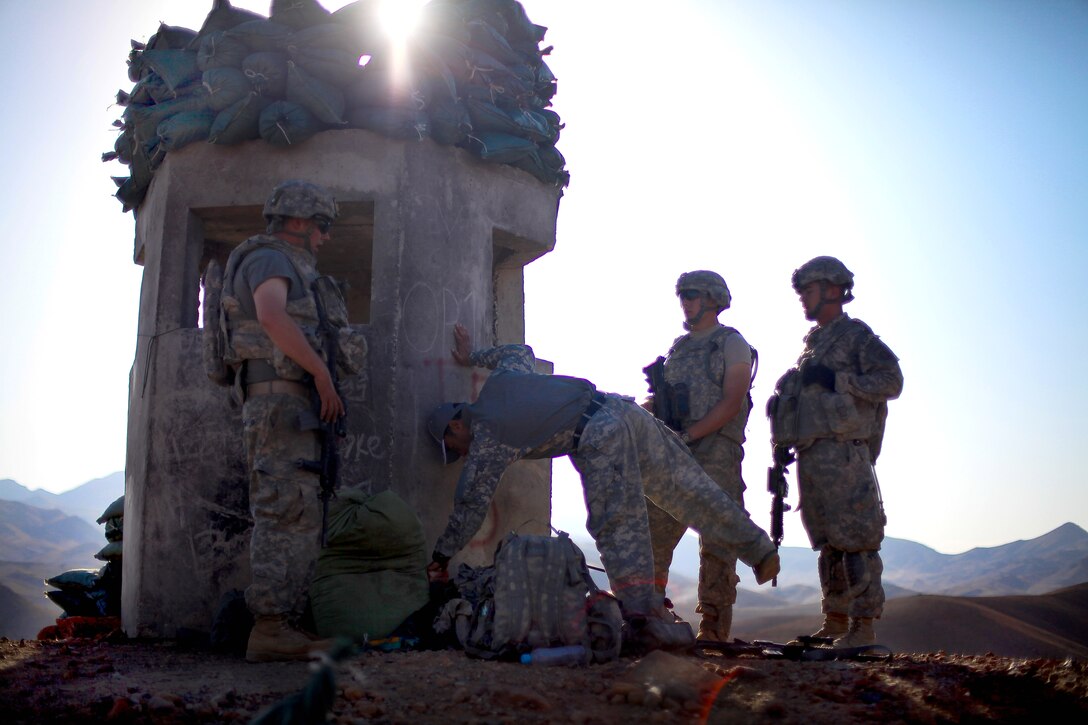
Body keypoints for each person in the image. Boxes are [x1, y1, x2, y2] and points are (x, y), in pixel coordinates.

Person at [425, 323, 781, 634]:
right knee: (691, 489)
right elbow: (519, 350)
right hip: (623, 410)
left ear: (457, 424)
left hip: (598, 435)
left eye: (454, 446)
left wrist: (440, 556)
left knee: (616, 523)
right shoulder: (502, 380)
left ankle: (642, 619)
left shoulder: (487, 437)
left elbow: (470, 505)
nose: (463, 454)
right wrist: (473, 355)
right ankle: (759, 550)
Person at [218, 180, 367, 662]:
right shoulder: (271, 258)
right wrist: (321, 373)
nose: (324, 239)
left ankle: (283, 624)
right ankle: (270, 629)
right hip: (279, 404)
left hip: (289, 408)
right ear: (299, 223)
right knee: (283, 512)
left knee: (297, 512)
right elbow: (270, 315)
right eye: (321, 227)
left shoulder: (286, 261)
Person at [767, 256, 903, 648]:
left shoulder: (856, 338)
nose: (803, 300)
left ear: (831, 290)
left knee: (856, 539)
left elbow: (891, 381)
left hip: (844, 455)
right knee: (827, 542)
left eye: (808, 291)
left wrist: (838, 379)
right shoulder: (813, 346)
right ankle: (836, 621)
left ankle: (863, 627)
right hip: (812, 456)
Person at [644, 271, 755, 643]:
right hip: (675, 449)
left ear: (713, 299)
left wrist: (691, 434)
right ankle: (648, 612)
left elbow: (732, 401)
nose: (686, 302)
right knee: (655, 529)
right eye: (683, 296)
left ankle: (713, 627)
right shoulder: (679, 347)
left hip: (715, 450)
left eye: (692, 295)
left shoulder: (731, 344)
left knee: (718, 538)